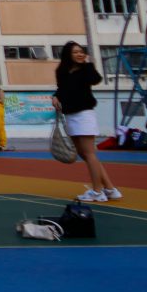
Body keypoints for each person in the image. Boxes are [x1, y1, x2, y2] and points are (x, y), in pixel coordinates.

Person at [53, 40, 120, 202]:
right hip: (70, 114)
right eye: (75, 52)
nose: (79, 54)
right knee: (84, 154)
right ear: (68, 54)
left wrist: (88, 64)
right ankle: (110, 189)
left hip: (84, 114)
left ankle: (97, 192)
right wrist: (56, 96)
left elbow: (96, 79)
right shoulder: (62, 71)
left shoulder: (86, 69)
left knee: (90, 154)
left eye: (81, 51)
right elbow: (62, 88)